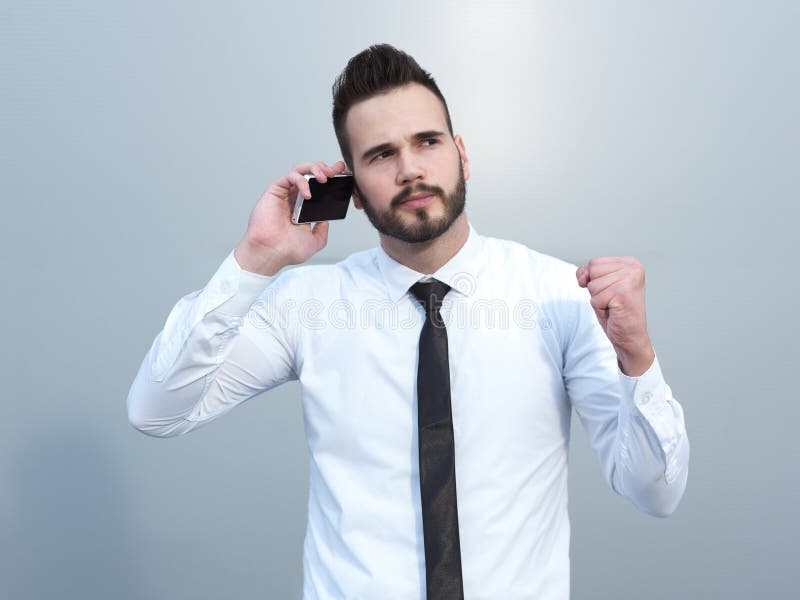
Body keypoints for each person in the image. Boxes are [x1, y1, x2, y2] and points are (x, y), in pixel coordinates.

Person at [127, 44, 690, 599]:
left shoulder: (559, 295)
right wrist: (254, 258)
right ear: (350, 185)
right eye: (380, 155)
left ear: (461, 153)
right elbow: (156, 411)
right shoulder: (307, 304)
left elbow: (655, 493)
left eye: (427, 141)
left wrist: (638, 358)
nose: (411, 169)